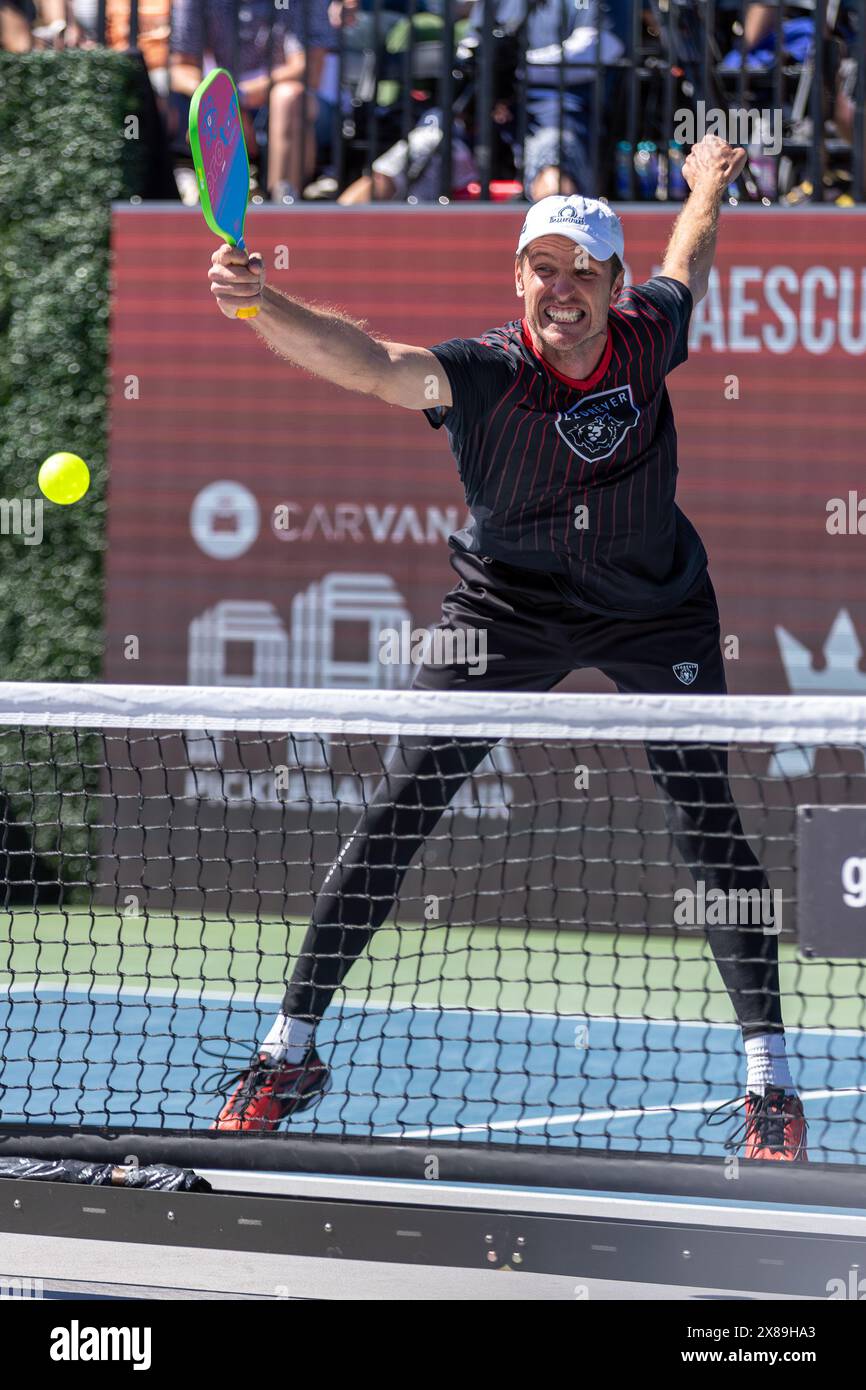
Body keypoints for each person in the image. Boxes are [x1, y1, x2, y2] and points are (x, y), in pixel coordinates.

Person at [205, 134, 807, 1162]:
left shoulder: (649, 333)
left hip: (653, 607)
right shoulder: (482, 374)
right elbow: (371, 363)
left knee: (706, 819)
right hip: (505, 609)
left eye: (582, 271)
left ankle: (767, 1080)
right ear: (515, 274)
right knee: (402, 804)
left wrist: (706, 182)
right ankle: (289, 1045)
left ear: (614, 285)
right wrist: (262, 305)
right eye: (543, 265)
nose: (560, 287)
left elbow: (689, 257)